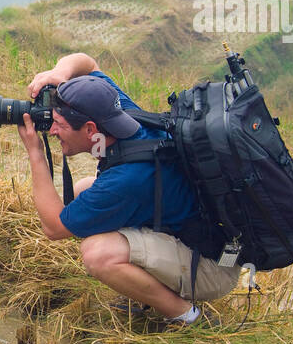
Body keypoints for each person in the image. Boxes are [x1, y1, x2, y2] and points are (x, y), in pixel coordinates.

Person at [16, 53, 239, 325]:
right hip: (204, 236)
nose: (51, 131)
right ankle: (153, 282)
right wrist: (59, 73)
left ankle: (185, 316)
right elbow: (88, 63)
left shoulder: (126, 181)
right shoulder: (120, 111)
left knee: (98, 254)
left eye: (59, 125)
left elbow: (53, 228)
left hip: (212, 270)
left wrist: (36, 153)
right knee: (85, 189)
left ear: (90, 129)